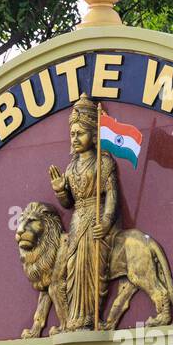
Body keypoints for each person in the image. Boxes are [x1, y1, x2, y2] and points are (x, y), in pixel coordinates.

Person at [47, 93, 121, 331]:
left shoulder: (104, 162)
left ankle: (90, 317)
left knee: (93, 268)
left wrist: (107, 221)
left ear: (94, 134)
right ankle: (74, 319)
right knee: (72, 268)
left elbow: (112, 195)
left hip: (96, 219)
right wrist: (60, 191)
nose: (75, 138)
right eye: (72, 134)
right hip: (78, 221)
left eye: (81, 133)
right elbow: (68, 203)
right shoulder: (70, 167)